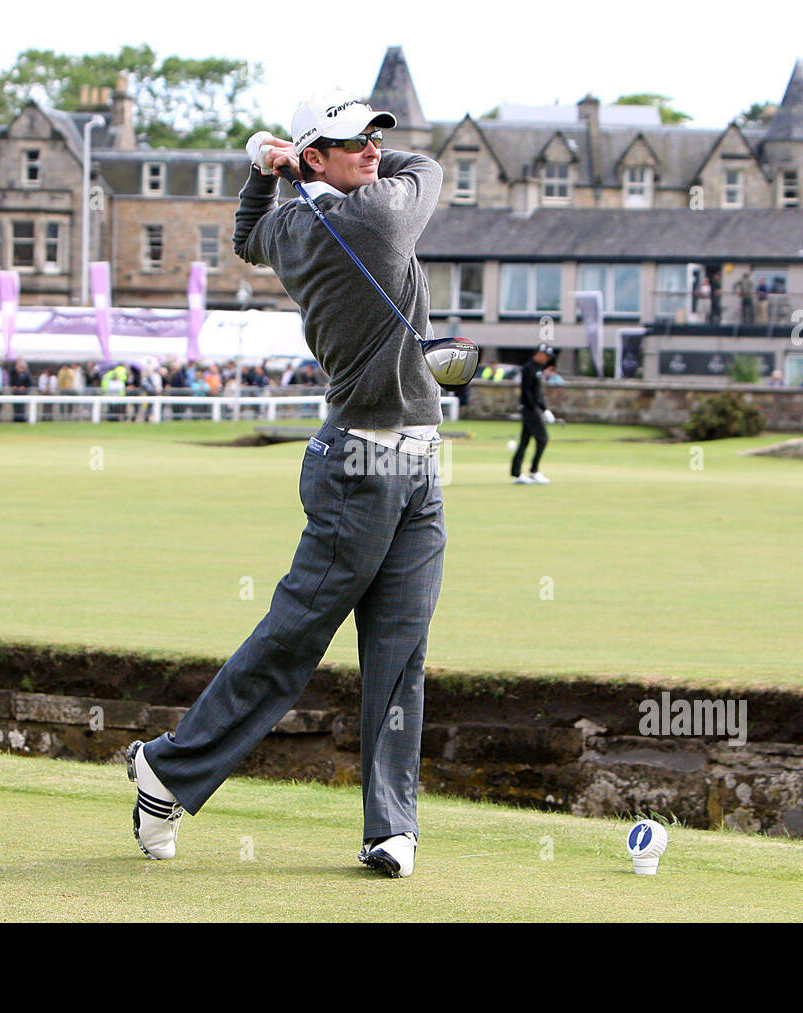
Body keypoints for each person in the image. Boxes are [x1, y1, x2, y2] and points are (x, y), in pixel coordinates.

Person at [127, 92, 443, 881]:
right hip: (360, 468)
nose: (374, 150)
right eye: (352, 141)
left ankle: (390, 826)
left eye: (375, 136)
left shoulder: (294, 223)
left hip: (416, 462)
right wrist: (284, 163)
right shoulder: (376, 219)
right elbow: (427, 167)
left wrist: (266, 171)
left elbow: (245, 235)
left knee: (401, 651)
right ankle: (168, 769)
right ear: (316, 158)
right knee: (296, 637)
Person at [511, 343, 557, 485]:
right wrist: (537, 409)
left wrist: (545, 409)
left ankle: (517, 473)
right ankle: (534, 470)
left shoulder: (537, 368)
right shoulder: (529, 368)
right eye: (545, 356)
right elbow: (527, 392)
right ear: (539, 354)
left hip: (533, 409)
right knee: (542, 438)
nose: (547, 359)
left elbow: (538, 392)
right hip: (529, 410)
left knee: (525, 441)